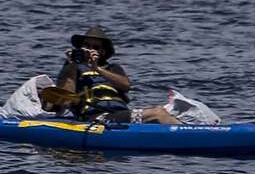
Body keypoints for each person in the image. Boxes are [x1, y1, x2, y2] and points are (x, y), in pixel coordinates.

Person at [46, 26, 180, 125]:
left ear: (102, 52)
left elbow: (125, 86)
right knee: (157, 114)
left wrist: (97, 68)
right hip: (96, 118)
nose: (89, 49)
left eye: (95, 47)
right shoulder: (72, 68)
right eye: (86, 45)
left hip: (119, 115)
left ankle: (187, 131)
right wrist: (71, 64)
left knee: (159, 110)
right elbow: (65, 100)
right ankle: (193, 136)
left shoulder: (113, 68)